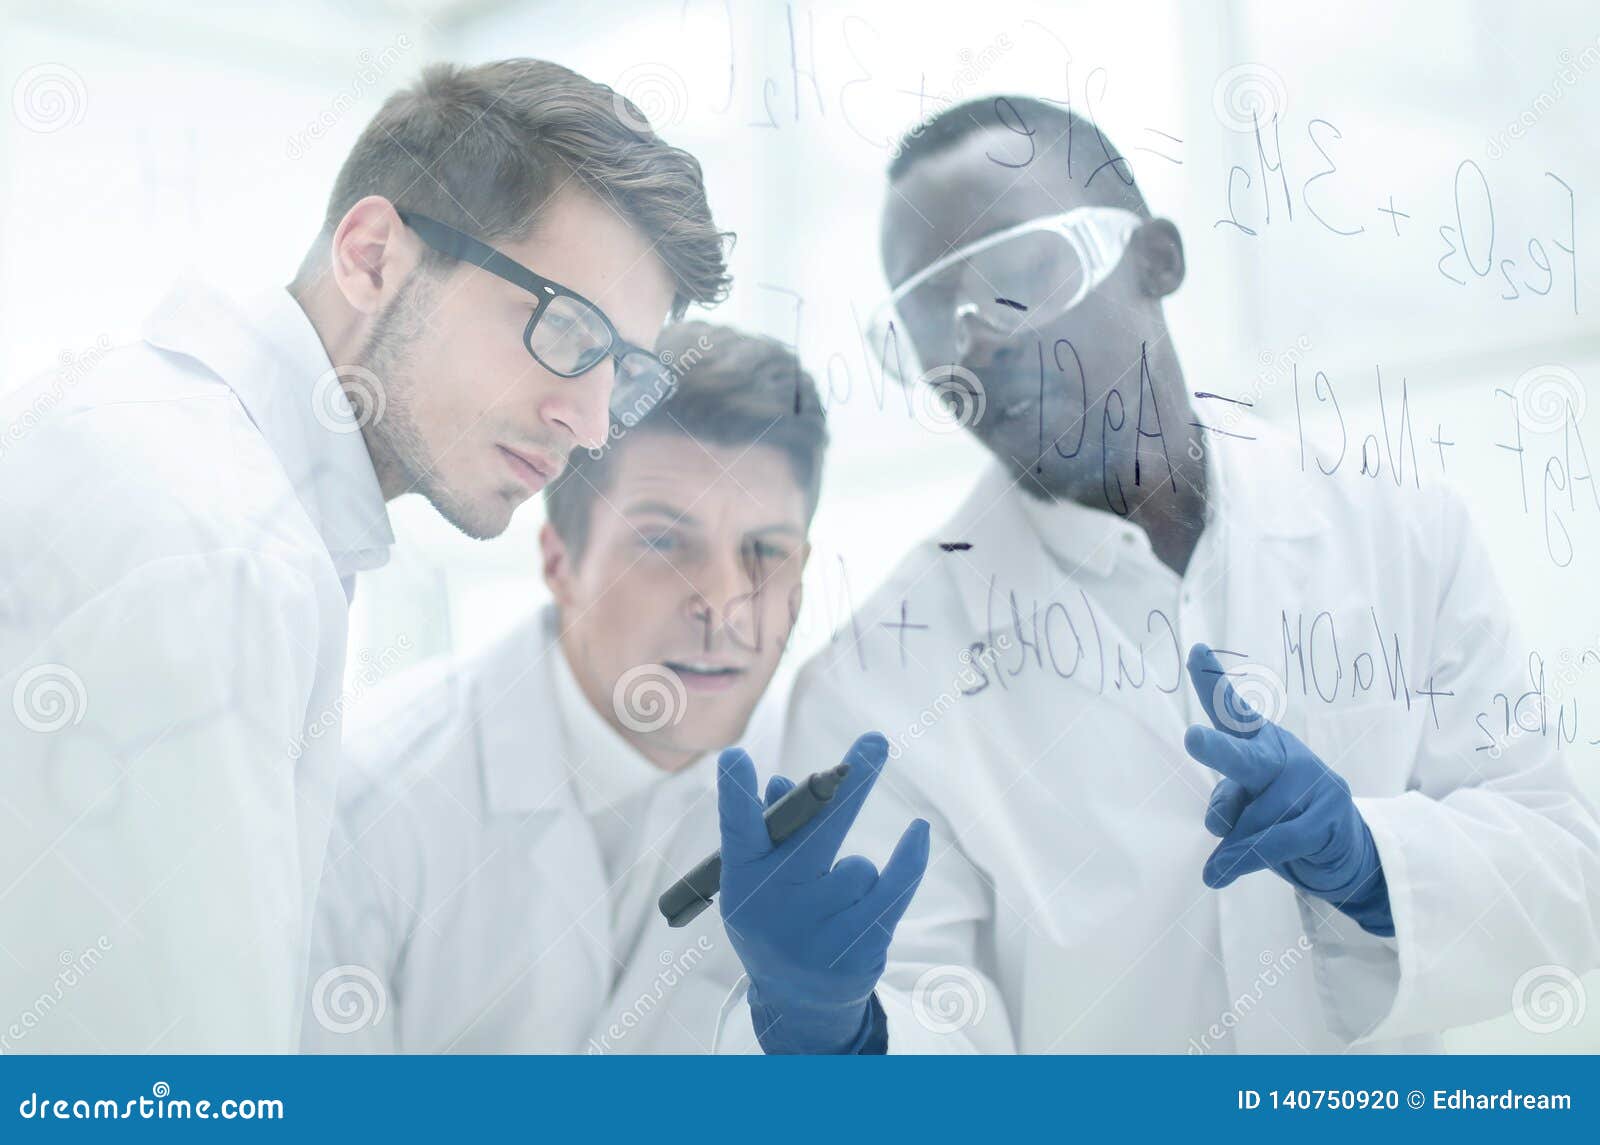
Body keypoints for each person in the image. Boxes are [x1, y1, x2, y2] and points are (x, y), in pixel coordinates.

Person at [721, 96, 1600, 1052]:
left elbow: (1566, 871)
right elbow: (934, 1031)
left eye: (1020, 275)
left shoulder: (1401, 530)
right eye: (933, 319)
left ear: (1155, 259)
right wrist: (839, 1035)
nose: (980, 343)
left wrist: (1373, 864)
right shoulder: (871, 685)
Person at [0, 58, 728, 1052]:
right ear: (374, 254)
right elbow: (157, 1086)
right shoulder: (217, 543)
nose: (592, 422)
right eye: (565, 330)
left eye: (626, 373)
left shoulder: (199, 471)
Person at [302, 322, 840, 1051]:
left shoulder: (843, 804)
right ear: (558, 560)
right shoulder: (365, 808)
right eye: (662, 541)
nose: (724, 603)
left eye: (765, 551)